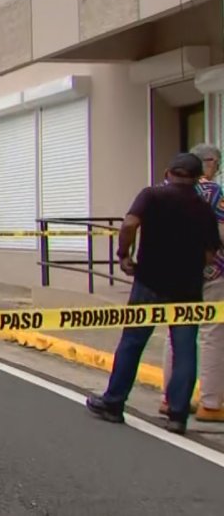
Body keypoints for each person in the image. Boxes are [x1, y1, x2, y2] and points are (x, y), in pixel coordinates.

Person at [86, 153, 222, 434]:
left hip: (149, 281)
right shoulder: (203, 208)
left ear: (168, 171)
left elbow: (129, 224)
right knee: (185, 348)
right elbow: (211, 254)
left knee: (133, 342)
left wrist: (125, 255)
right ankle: (177, 415)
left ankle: (113, 402)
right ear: (198, 178)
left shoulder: (151, 196)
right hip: (187, 287)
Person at [160, 143, 224, 422]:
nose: (218, 170)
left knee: (176, 332)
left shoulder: (162, 190)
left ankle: (170, 397)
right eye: (217, 164)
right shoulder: (214, 192)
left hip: (174, 272)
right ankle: (211, 403)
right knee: (212, 333)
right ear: (208, 163)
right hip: (212, 272)